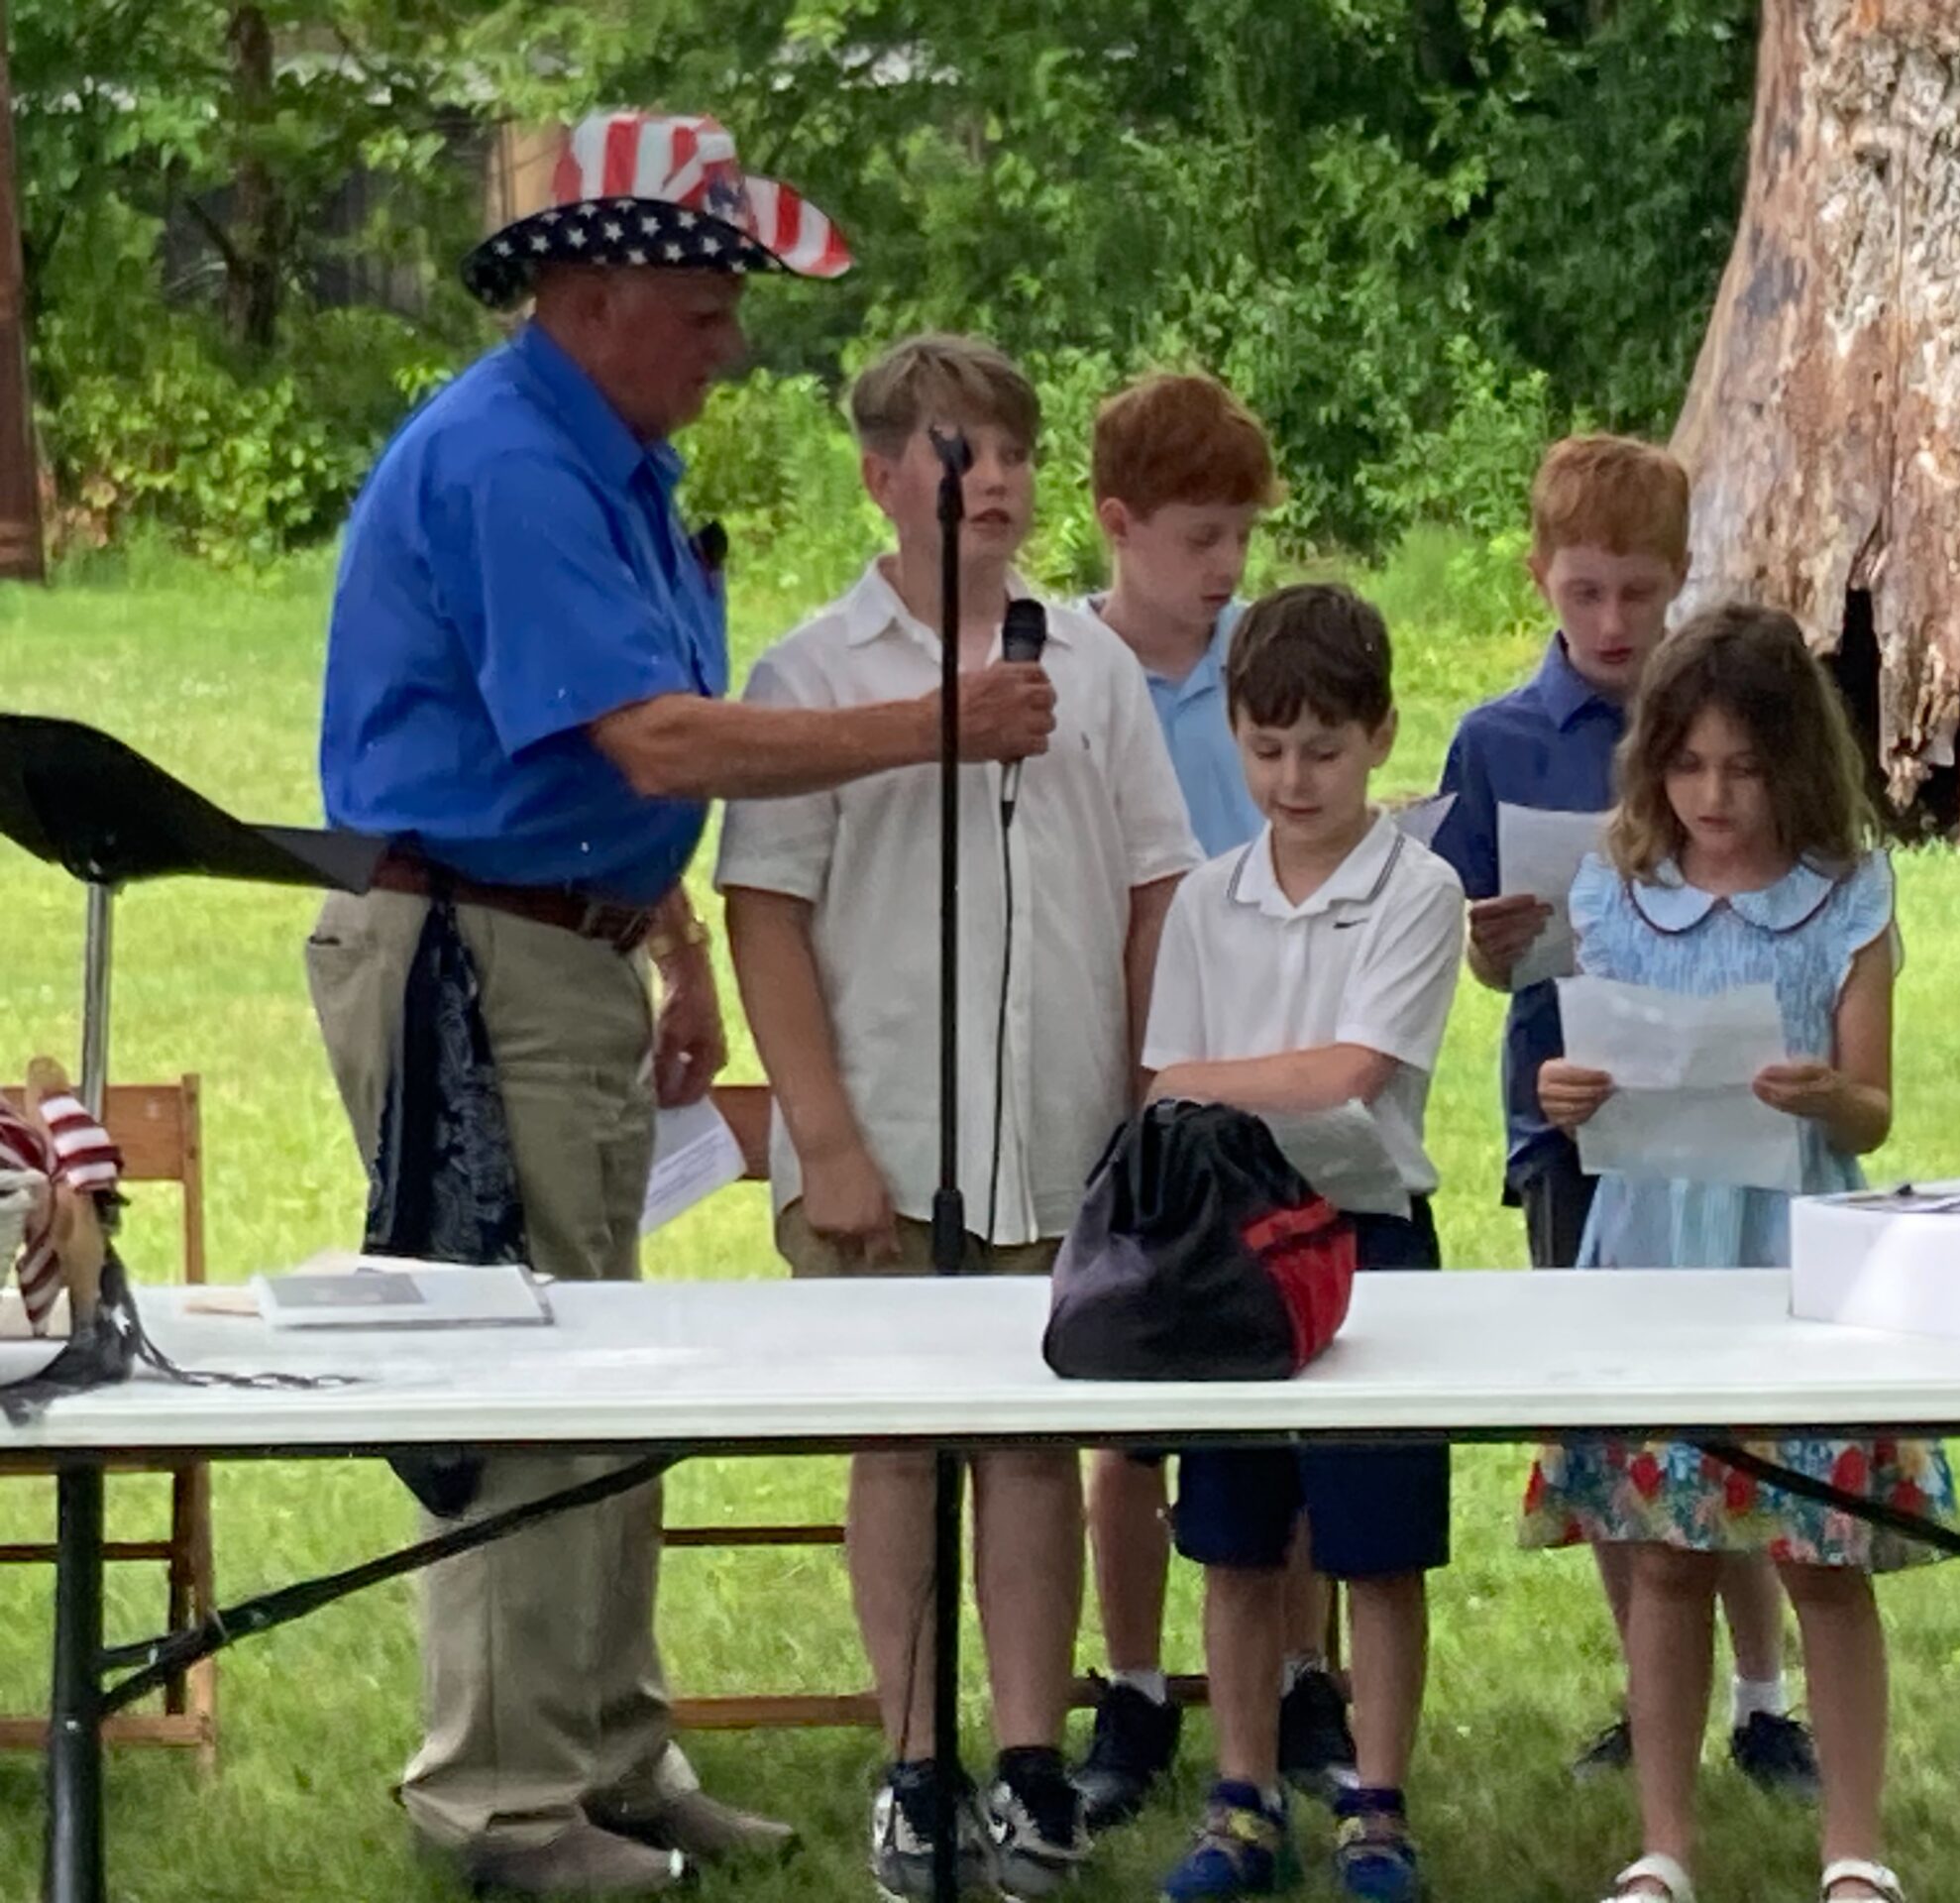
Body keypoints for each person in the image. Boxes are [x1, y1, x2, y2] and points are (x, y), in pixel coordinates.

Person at [307, 113, 1053, 1900]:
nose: (734, 344)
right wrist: (933, 724)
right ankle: (497, 1805)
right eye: (707, 305)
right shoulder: (510, 462)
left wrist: (672, 941)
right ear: (595, 292)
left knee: (603, 1364)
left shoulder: (604, 458)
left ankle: (612, 1757)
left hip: (556, 941)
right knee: (518, 1373)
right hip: (472, 966)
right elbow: (647, 736)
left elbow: (582, 756)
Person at [715, 333, 1199, 1902]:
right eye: (952, 453)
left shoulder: (1097, 665)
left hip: (1056, 1131)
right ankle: (914, 1763)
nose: (988, 480)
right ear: (879, 479)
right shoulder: (811, 674)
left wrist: (1141, 1098)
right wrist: (828, 1135)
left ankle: (1033, 1762)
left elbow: (1150, 889)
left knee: (1032, 1442)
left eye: (1007, 454)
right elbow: (767, 909)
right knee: (900, 1443)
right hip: (883, 1138)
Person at [1527, 605, 1950, 1903]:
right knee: (1663, 1551)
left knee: (1821, 1554)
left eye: (1746, 769)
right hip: (1652, 1245)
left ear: (1794, 766)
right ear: (1656, 759)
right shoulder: (1612, 890)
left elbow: (1875, 1107)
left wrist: (1824, 1091)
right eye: (1691, 765)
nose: (1714, 796)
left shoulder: (1846, 900)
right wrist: (1564, 1092)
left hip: (1792, 1248)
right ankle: (1664, 1843)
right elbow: (1576, 1058)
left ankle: (1853, 1846)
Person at [1430, 437, 1814, 1793]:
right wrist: (1488, 939)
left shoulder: (1713, 729)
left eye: (1638, 597)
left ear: (1677, 584)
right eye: (1584, 594)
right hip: (1572, 1120)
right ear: (1540, 577)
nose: (1610, 626)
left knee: (1736, 1412)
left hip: (1722, 1117)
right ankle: (1653, 1689)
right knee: (1612, 1421)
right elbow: (1456, 947)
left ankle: (1766, 1699)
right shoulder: (1496, 739)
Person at [1140, 585, 1464, 1903]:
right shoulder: (1209, 900)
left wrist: (1220, 1081)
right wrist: (1218, 1084)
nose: (1292, 778)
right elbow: (1163, 1076)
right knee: (1232, 1535)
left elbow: (1351, 1075)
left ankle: (1376, 1801)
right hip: (1231, 1241)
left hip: (1369, 1234)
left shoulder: (1418, 887)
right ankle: (1242, 1796)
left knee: (1374, 1541)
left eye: (1323, 750)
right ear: (1232, 736)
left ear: (1380, 736)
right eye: (1266, 750)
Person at [1075, 372, 1354, 1831]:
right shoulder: (1075, 672)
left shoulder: (1265, 663)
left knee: (1273, 1376)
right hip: (1128, 1078)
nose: (1228, 565)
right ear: (1118, 528)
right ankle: (1129, 1683)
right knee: (1128, 1412)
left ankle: (1303, 1670)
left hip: (1266, 1075)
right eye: (1200, 536)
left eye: (1243, 532)